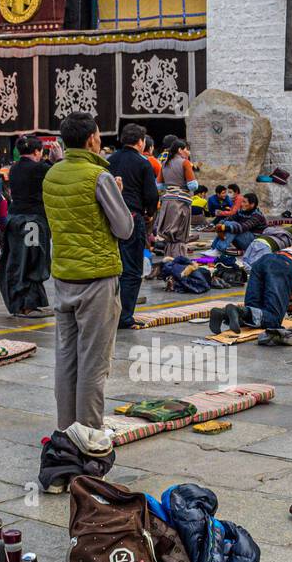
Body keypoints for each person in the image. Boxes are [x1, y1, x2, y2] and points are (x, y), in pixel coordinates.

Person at [42, 111, 134, 430]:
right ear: (92, 139)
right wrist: (117, 195)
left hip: (64, 275)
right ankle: (89, 437)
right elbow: (124, 228)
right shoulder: (100, 177)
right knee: (94, 364)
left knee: (67, 359)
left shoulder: (52, 174)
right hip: (97, 277)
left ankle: (66, 431)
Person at [108, 123, 161, 329]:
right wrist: (149, 214)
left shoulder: (109, 161)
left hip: (111, 218)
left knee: (114, 265)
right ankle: (125, 316)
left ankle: (111, 311)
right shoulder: (142, 162)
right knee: (131, 269)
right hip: (132, 216)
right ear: (141, 142)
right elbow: (151, 195)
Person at [0, 136, 52, 316]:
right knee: (34, 260)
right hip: (33, 222)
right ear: (37, 151)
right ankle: (28, 305)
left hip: (14, 218)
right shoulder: (40, 168)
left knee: (19, 260)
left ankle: (24, 303)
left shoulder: (14, 168)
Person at [152, 137, 196, 278]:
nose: (188, 152)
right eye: (186, 149)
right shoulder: (185, 163)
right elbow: (193, 185)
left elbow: (158, 185)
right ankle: (179, 267)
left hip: (167, 203)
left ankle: (168, 265)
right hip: (181, 203)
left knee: (170, 236)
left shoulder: (164, 163)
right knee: (180, 236)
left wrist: (170, 186)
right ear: (180, 150)